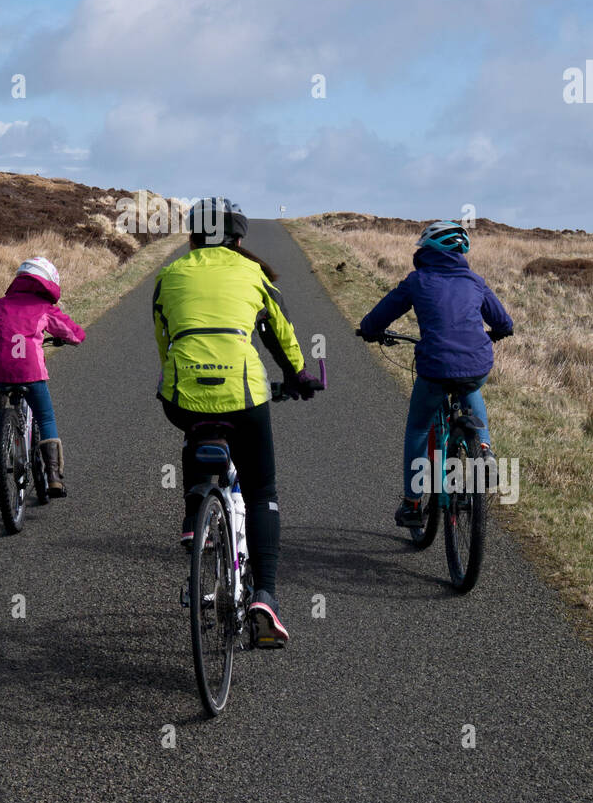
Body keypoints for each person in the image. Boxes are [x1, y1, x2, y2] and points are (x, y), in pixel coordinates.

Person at [153, 198, 322, 648]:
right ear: (239, 240)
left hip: (183, 393)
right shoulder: (255, 274)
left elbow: (164, 340)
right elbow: (281, 333)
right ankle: (265, 597)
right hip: (243, 393)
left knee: (195, 428)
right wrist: (299, 377)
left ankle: (194, 517)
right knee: (262, 491)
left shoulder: (169, 275)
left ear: (191, 238)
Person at [357, 220, 514, 527]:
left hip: (435, 368)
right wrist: (492, 335)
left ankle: (413, 504)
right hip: (476, 363)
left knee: (418, 428)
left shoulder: (418, 280)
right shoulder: (475, 282)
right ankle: (484, 451)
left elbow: (379, 316)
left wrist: (369, 330)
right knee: (471, 388)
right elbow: (505, 324)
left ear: (429, 249)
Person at [0, 257, 84, 496]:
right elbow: (73, 333)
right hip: (31, 372)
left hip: (1, 370)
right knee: (46, 418)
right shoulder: (44, 308)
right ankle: (53, 476)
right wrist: (75, 338)